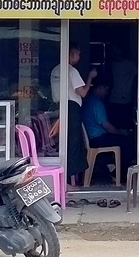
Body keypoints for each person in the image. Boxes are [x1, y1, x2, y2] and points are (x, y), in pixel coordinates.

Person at [50, 43, 96, 188]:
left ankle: (67, 177)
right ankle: (71, 179)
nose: (79, 57)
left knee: (64, 141)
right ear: (70, 54)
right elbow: (82, 92)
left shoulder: (55, 70)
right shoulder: (71, 71)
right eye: (77, 54)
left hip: (59, 107)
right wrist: (90, 78)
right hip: (72, 108)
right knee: (74, 142)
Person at [82, 79, 136, 181]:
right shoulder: (97, 102)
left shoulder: (88, 100)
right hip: (98, 138)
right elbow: (107, 126)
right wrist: (121, 133)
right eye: (106, 90)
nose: (107, 93)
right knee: (130, 143)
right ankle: (118, 174)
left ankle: (113, 168)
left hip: (92, 137)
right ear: (100, 87)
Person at [107, 46, 136, 130]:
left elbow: (137, 79)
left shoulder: (130, 64)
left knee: (125, 124)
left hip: (126, 98)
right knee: (114, 124)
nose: (115, 52)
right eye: (113, 50)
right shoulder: (112, 65)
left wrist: (133, 93)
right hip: (112, 98)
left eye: (116, 49)